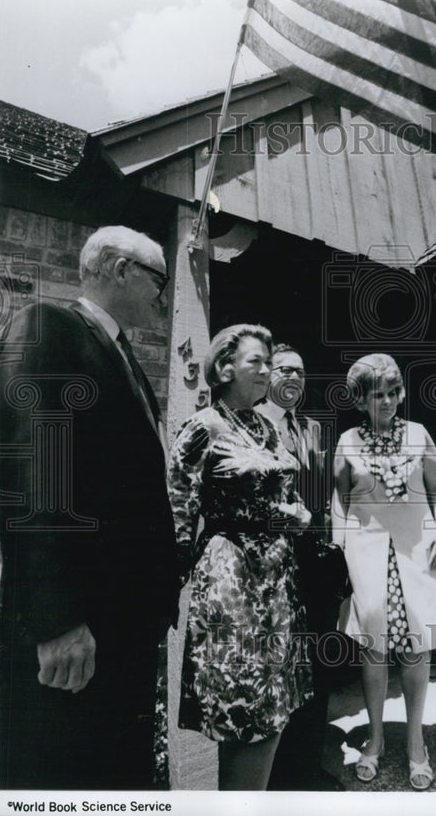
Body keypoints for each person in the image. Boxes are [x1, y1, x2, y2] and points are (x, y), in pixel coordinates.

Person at [0, 225, 179, 789]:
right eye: (159, 279)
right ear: (121, 269)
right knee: (62, 770)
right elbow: (37, 479)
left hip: (123, 624)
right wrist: (57, 619)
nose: (165, 295)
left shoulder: (119, 353)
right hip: (79, 631)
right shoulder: (49, 328)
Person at [167, 325, 313, 791]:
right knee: (246, 713)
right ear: (225, 368)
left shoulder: (265, 426)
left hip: (277, 583)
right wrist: (167, 587)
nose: (268, 371)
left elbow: (279, 491)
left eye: (271, 362)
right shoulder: (204, 427)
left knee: (273, 711)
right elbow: (178, 511)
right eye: (258, 362)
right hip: (235, 585)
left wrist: (295, 514)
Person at [331, 354, 436, 790]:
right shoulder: (349, 441)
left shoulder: (419, 434)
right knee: (373, 648)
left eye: (394, 392)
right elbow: (339, 501)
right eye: (378, 395)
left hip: (415, 551)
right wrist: (340, 551)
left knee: (415, 646)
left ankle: (415, 744)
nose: (388, 401)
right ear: (359, 399)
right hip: (367, 554)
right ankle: (374, 740)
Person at [258, 343, 344, 791]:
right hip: (271, 567)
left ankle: (308, 770)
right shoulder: (249, 425)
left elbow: (329, 492)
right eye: (285, 369)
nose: (294, 378)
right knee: (279, 667)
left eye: (301, 371)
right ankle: (274, 778)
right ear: (267, 374)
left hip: (316, 567)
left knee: (317, 665)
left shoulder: (314, 429)